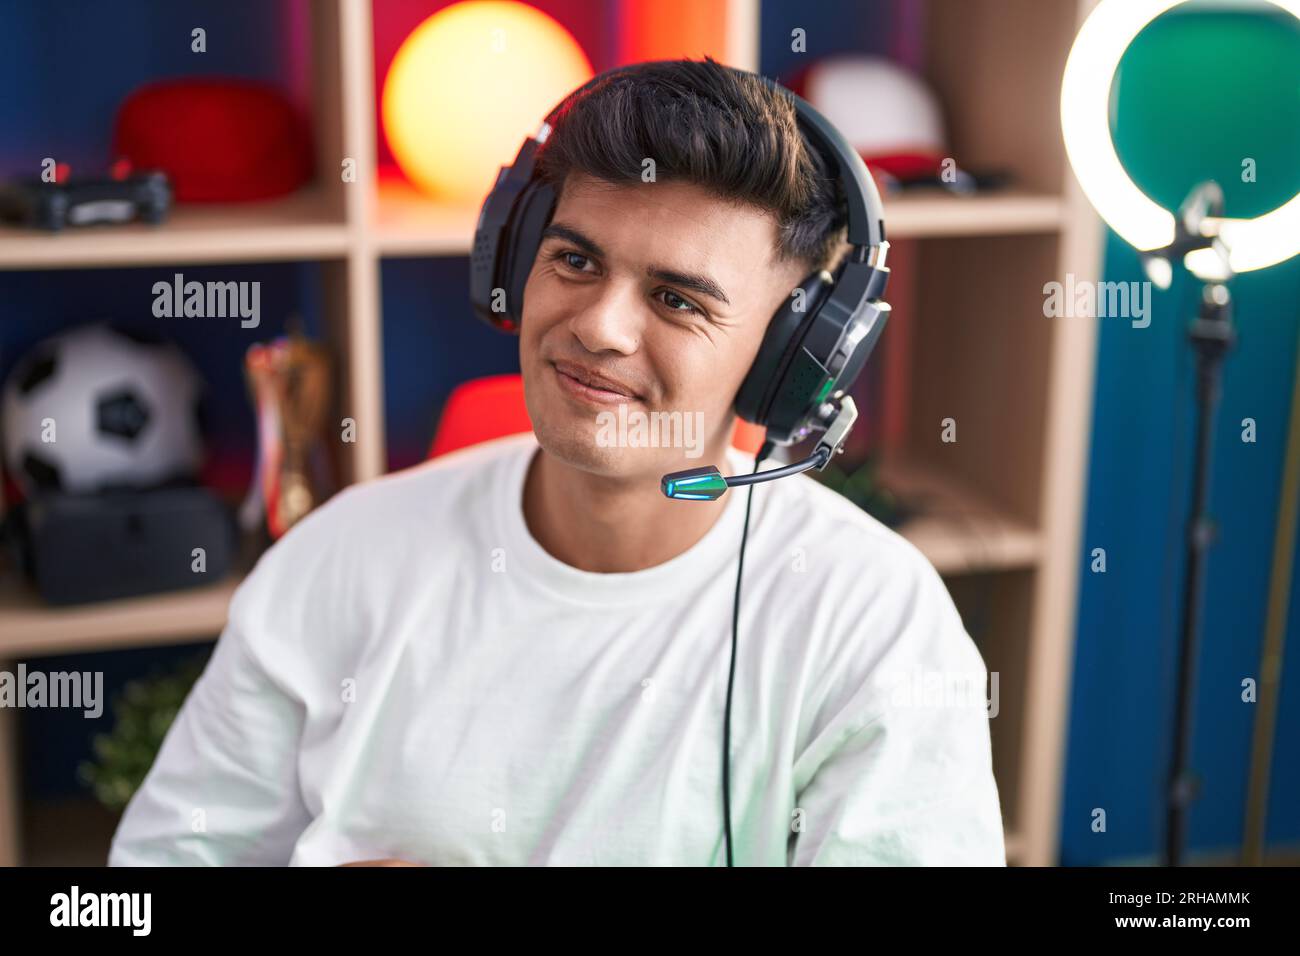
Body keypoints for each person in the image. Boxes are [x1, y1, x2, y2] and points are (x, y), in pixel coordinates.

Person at [108, 59, 1005, 866]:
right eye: (574, 259)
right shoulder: (338, 558)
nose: (599, 327)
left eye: (677, 299)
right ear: (513, 259)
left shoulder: (874, 621)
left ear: (791, 357)